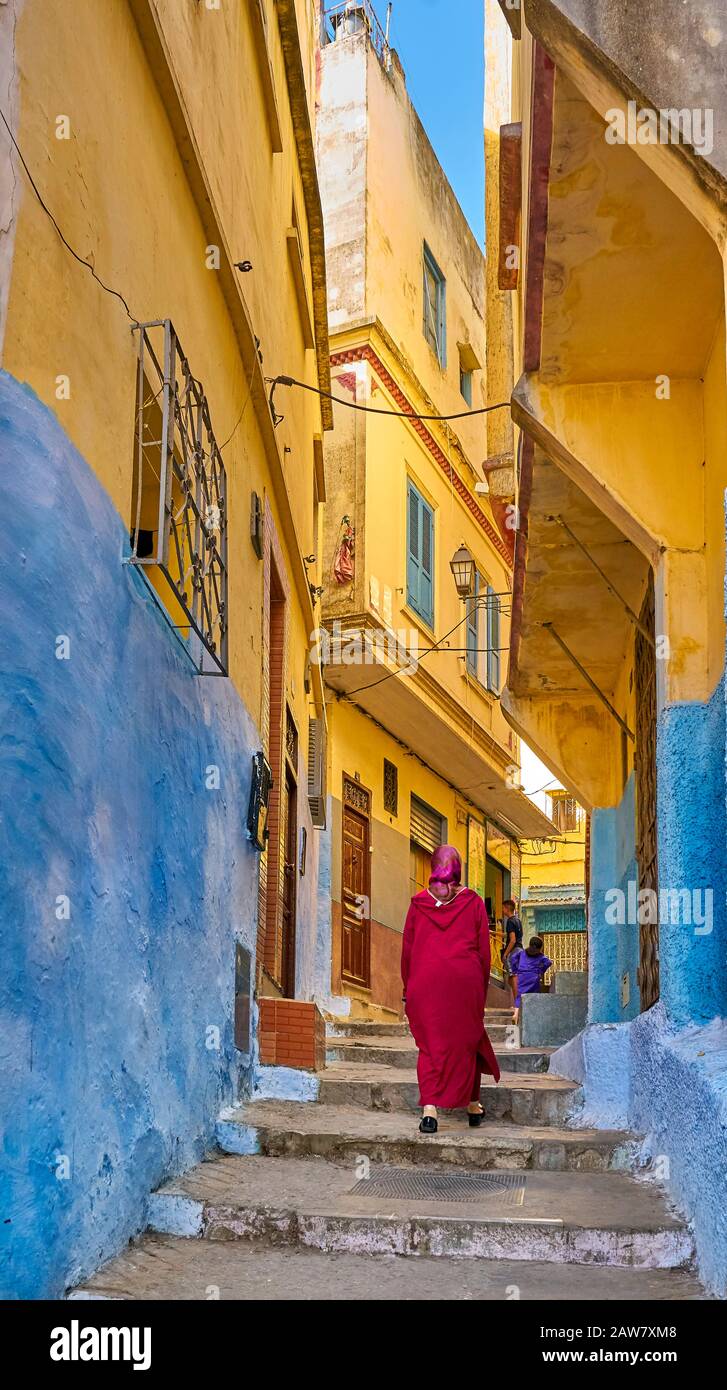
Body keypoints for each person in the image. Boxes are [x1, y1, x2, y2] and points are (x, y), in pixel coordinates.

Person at [401, 845, 500, 1134]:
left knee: (430, 1046)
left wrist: (409, 986)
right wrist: (480, 988)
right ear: (458, 869)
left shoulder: (418, 902)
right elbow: (484, 951)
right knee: (467, 1042)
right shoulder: (473, 902)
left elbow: (407, 950)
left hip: (425, 983)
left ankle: (429, 1110)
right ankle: (472, 1104)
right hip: (464, 982)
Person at [510, 935, 553, 1025]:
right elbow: (548, 962)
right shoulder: (540, 956)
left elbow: (513, 958)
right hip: (533, 977)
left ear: (529, 944)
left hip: (522, 976)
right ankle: (532, 1015)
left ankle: (516, 1014)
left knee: (519, 996)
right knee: (534, 995)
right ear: (540, 947)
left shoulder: (522, 953)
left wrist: (515, 970)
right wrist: (541, 971)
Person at [501, 897, 523, 1013]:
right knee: (513, 977)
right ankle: (517, 1002)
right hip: (520, 950)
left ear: (506, 909)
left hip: (513, 950)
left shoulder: (510, 921)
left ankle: (517, 1004)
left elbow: (512, 940)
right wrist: (494, 933)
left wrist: (505, 953)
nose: (502, 911)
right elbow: (510, 936)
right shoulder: (517, 920)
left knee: (513, 976)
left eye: (503, 908)